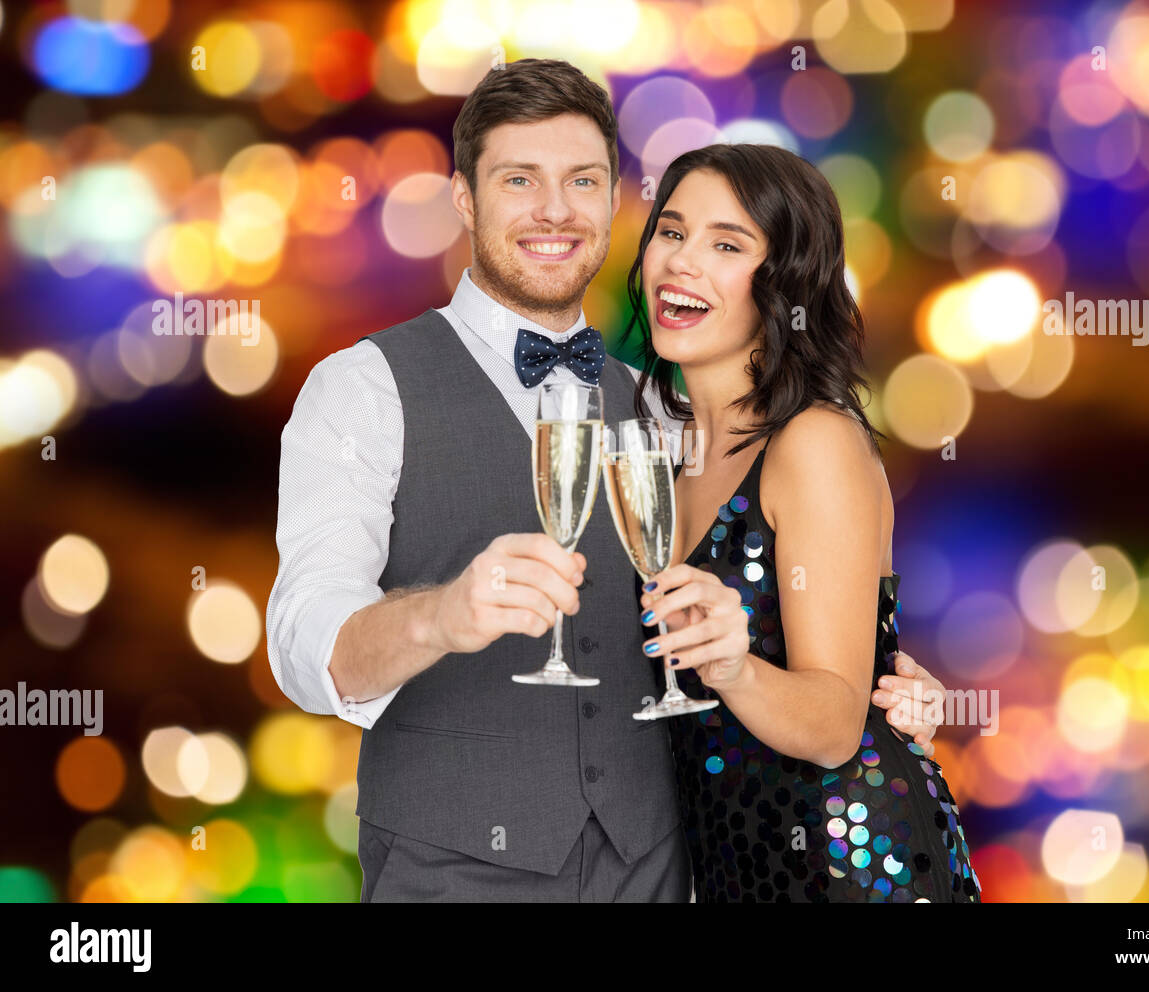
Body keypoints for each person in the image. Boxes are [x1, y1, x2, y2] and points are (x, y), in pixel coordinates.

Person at [267, 57, 945, 902]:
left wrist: (881, 684)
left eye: (582, 180)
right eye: (520, 180)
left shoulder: (659, 411)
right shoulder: (362, 386)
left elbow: (782, 613)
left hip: (663, 873)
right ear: (466, 200)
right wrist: (441, 616)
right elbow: (303, 644)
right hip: (448, 878)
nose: (555, 210)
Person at [619, 142, 980, 903]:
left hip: (848, 862)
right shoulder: (658, 447)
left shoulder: (814, 442)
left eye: (727, 244)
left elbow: (834, 724)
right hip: (726, 869)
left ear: (784, 282)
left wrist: (732, 667)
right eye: (672, 231)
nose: (682, 262)